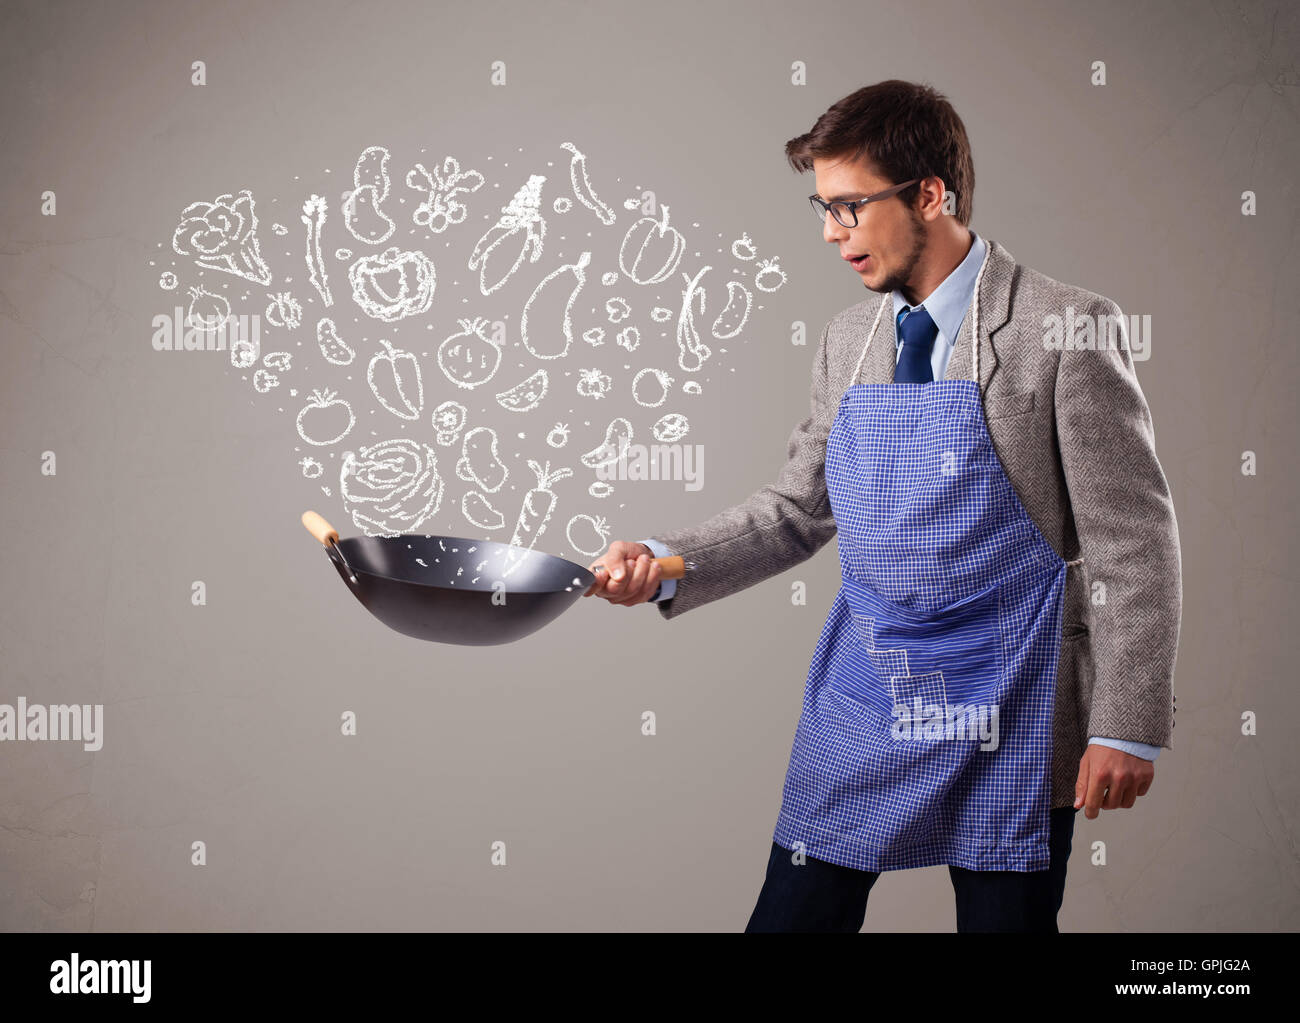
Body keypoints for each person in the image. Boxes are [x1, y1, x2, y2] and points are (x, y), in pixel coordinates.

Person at [582, 79, 1181, 933]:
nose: (832, 234)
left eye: (850, 208)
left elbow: (1134, 544)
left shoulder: (1065, 328)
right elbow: (796, 509)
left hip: (1013, 703)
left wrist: (1128, 725)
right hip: (869, 694)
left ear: (929, 194)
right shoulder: (846, 341)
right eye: (823, 209)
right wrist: (664, 561)